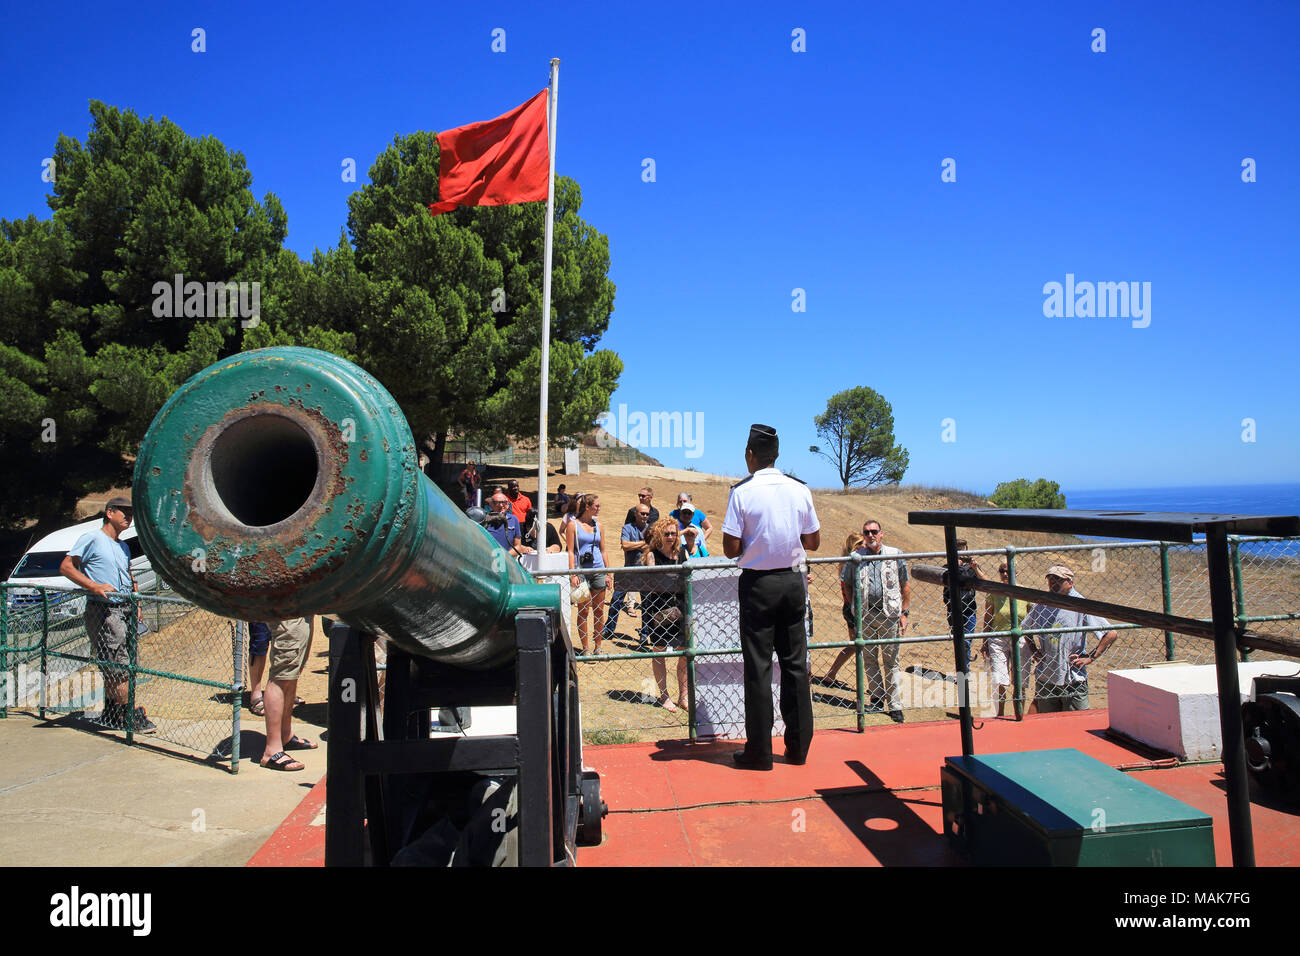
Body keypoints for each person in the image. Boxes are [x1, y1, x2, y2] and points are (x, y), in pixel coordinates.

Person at [721, 424, 820, 770]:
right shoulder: (799, 489)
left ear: (751, 455)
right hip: (793, 583)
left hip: (758, 586)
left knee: (759, 669)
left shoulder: (742, 493)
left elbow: (730, 547)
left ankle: (760, 753)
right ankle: (798, 749)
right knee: (795, 666)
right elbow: (813, 542)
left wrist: (755, 544)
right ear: (775, 455)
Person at [59, 496, 156, 733]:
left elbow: (128, 574)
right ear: (109, 512)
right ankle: (129, 713)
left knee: (125, 662)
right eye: (123, 511)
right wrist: (93, 586)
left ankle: (113, 711)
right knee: (119, 664)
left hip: (126, 609)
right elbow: (66, 567)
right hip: (105, 610)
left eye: (130, 513)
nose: (128, 517)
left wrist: (137, 603)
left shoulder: (122, 546)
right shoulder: (91, 538)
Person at [823, 519, 910, 723]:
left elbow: (905, 584)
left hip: (889, 615)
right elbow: (847, 585)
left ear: (881, 533)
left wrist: (904, 613)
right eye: (866, 532)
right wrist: (855, 607)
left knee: (891, 660)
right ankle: (877, 697)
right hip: (866, 616)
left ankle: (895, 704)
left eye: (874, 532)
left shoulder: (895, 555)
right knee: (869, 658)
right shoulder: (855, 558)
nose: (870, 535)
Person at [1020, 564, 1119, 713]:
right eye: (1051, 579)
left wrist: (1091, 657)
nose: (1053, 583)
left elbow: (1111, 634)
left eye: (1058, 579)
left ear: (1070, 583)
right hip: (1046, 677)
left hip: (1073, 678)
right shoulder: (1042, 603)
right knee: (1047, 724)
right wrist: (1033, 649)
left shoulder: (1080, 603)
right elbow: (1025, 628)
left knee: (1078, 722)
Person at [640, 518, 689, 711]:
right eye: (667, 533)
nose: (671, 537)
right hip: (661, 610)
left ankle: (683, 696)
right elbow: (654, 581)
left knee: (685, 653)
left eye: (674, 533)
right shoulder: (652, 555)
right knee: (659, 650)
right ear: (660, 534)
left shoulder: (682, 553)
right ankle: (664, 696)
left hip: (682, 608)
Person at [259, 617, 318, 770]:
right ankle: (272, 751)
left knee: (292, 673)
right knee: (282, 676)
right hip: (287, 611)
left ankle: (285, 735)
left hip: (301, 610)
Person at [981, 562, 1033, 717]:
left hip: (1021, 638)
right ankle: (1000, 715)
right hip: (998, 639)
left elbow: (1030, 619)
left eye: (1008, 571)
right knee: (1000, 680)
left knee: (1020, 681)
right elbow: (988, 617)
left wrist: (1032, 643)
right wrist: (984, 641)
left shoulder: (1025, 592)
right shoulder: (994, 592)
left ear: (1016, 573)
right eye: (1001, 571)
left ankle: (1019, 714)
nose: (1004, 574)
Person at [817, 533, 865, 691]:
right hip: (853, 609)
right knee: (857, 646)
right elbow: (848, 591)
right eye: (861, 543)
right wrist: (855, 609)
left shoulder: (850, 562)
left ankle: (831, 674)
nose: (865, 546)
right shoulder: (850, 564)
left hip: (852, 607)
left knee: (857, 646)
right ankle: (831, 674)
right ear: (855, 546)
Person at [566, 494, 610, 655]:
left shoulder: (599, 526)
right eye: (596, 506)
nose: (599, 508)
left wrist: (608, 573)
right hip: (581, 571)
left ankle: (598, 646)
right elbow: (570, 551)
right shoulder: (573, 525)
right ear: (587, 507)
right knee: (583, 610)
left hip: (598, 569)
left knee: (599, 610)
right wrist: (573, 573)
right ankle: (586, 648)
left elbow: (603, 550)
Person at [603, 502, 651, 642]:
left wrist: (634, 545)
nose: (645, 516)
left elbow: (651, 548)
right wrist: (643, 544)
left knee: (647, 604)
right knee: (616, 600)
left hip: (646, 572)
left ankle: (645, 632)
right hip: (628, 569)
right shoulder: (627, 528)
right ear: (636, 514)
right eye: (642, 513)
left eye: (647, 514)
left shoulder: (651, 529)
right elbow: (624, 545)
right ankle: (609, 629)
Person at [942, 538, 982, 665]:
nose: (961, 553)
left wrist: (975, 568)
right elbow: (944, 577)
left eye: (962, 550)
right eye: (957, 550)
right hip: (953, 610)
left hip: (969, 610)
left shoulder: (972, 568)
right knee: (959, 642)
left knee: (967, 642)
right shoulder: (948, 567)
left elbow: (985, 581)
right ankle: (962, 669)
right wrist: (956, 564)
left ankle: (965, 671)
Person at [484, 492, 530, 558]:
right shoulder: (485, 520)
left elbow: (518, 546)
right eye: (497, 503)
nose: (501, 505)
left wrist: (504, 556)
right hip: (489, 558)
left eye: (504, 502)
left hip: (508, 561)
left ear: (508, 505)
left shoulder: (513, 519)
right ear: (491, 505)